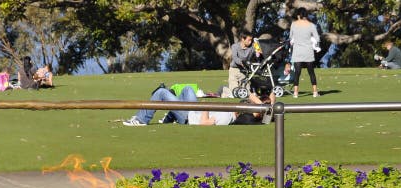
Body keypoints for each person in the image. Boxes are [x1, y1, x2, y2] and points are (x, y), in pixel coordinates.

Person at [122, 85, 274, 127]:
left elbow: (204, 123)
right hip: (194, 110)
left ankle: (142, 120)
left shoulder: (236, 119)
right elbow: (252, 97)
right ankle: (170, 117)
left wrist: (206, 107)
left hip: (188, 117)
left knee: (161, 92)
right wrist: (269, 99)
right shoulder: (236, 112)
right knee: (188, 89)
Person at [289, 7, 320, 98]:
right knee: (311, 72)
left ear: (299, 15)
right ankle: (315, 92)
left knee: (297, 73)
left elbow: (291, 37)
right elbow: (317, 38)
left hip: (297, 52)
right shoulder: (311, 25)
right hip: (308, 52)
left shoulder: (294, 24)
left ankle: (295, 93)